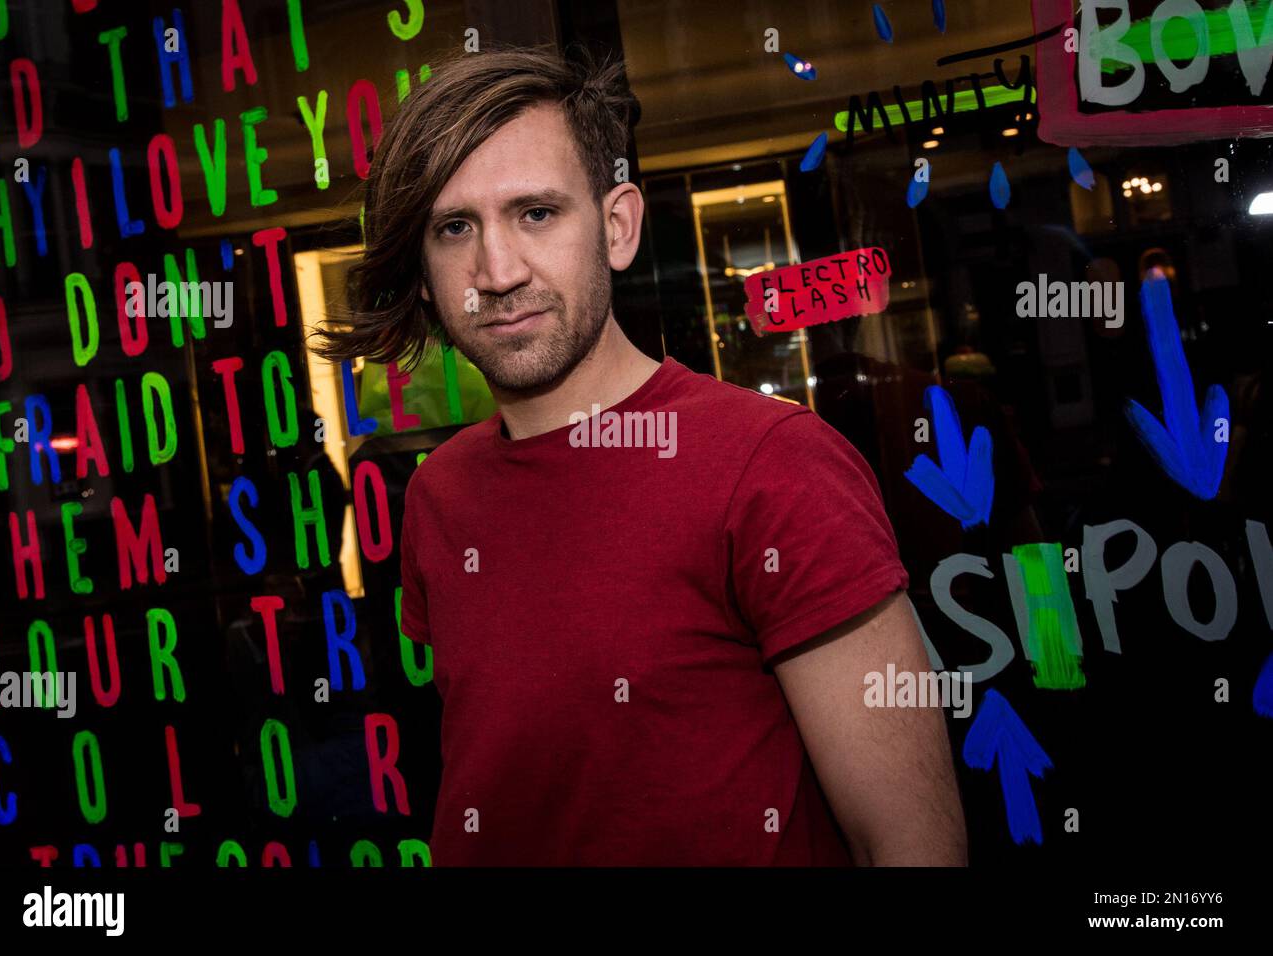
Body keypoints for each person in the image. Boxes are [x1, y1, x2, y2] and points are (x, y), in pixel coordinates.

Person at [315, 44, 966, 866]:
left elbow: (912, 846)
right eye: (455, 228)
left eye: (537, 213)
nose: (497, 270)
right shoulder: (440, 494)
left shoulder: (771, 465)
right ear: (423, 268)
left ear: (617, 227)